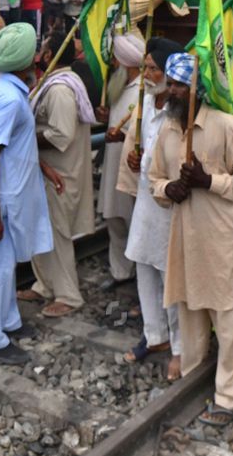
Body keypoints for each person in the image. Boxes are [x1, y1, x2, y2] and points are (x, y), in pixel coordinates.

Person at [147, 52, 233, 427]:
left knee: (228, 318)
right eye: (172, 84)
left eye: (180, 84)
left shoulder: (227, 126)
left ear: (199, 88)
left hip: (220, 238)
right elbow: (154, 182)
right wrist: (171, 188)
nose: (173, 91)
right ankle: (194, 381)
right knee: (190, 309)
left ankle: (230, 395)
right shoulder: (167, 129)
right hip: (183, 239)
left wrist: (207, 181)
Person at [0, 22, 51, 365]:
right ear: (27, 61)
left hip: (5, 193)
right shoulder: (8, 100)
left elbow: (16, 146)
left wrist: (44, 169)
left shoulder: (2, 88)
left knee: (6, 266)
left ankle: (10, 322)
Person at [120, 37, 185, 379]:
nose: (146, 74)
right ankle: (155, 334)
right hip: (146, 199)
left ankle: (179, 347)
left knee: (168, 273)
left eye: (153, 69)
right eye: (145, 67)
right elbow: (142, 149)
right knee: (143, 264)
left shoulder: (179, 111)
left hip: (170, 201)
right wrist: (136, 159)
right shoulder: (145, 103)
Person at [20, 37, 97, 317]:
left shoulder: (61, 89)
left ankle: (68, 295)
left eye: (41, 49)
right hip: (47, 173)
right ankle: (44, 285)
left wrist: (24, 139)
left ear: (49, 53)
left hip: (60, 175)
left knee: (58, 235)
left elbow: (60, 135)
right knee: (41, 229)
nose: (38, 53)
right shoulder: (53, 83)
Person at [98, 32, 145, 290]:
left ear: (126, 63)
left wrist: (123, 136)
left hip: (131, 167)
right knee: (113, 217)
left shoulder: (145, 92)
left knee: (132, 218)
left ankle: (140, 272)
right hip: (113, 165)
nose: (113, 65)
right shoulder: (118, 88)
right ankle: (120, 271)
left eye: (116, 61)